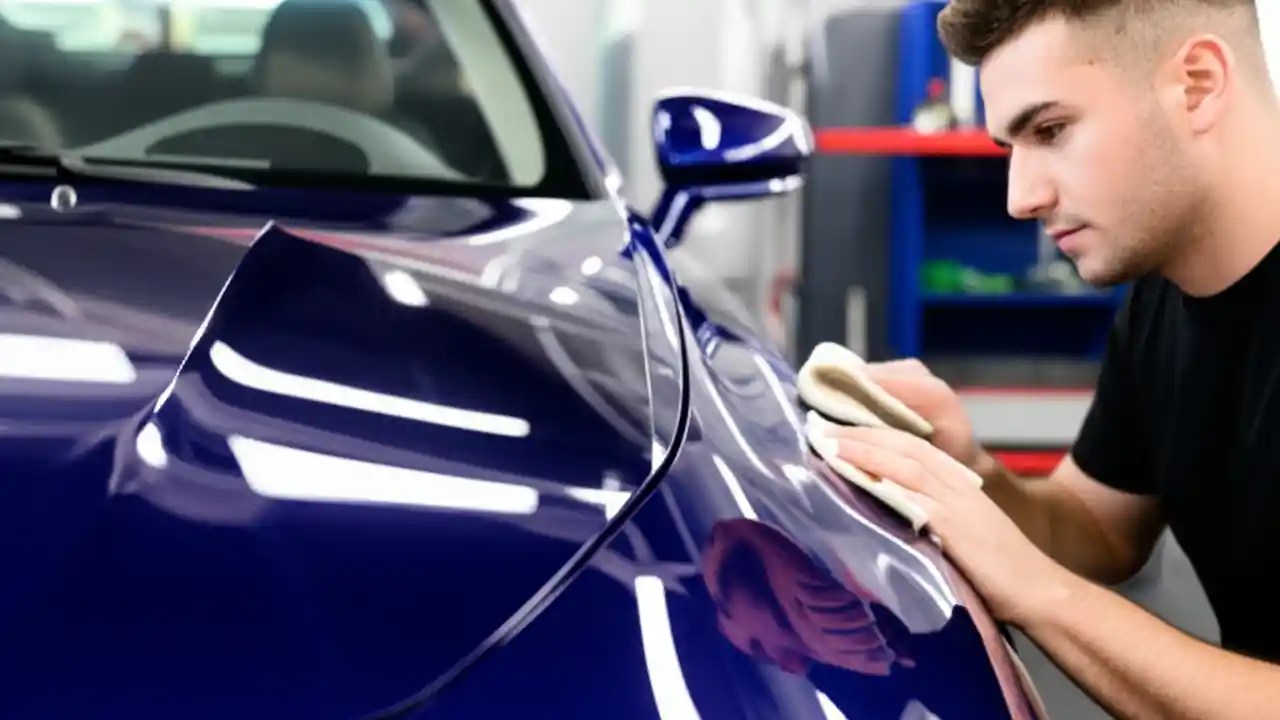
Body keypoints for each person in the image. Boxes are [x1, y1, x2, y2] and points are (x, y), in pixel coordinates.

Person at [821, 1, 1280, 718]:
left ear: (1197, 84)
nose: (1021, 197)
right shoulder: (1162, 295)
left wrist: (1036, 590)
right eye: (1012, 146)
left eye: (1052, 130)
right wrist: (971, 471)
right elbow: (1100, 530)